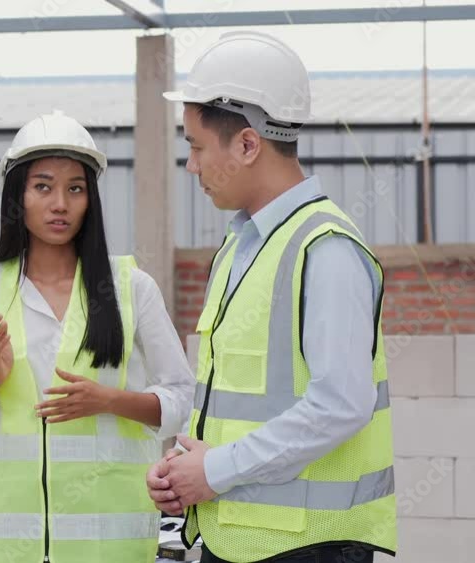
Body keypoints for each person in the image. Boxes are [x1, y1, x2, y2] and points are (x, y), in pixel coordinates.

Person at [147, 31, 396, 563]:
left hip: (306, 548)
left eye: (194, 146)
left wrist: (214, 471)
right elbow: (233, 396)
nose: (190, 165)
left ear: (246, 144)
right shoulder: (244, 245)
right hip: (236, 538)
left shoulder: (325, 249)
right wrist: (183, 466)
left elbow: (341, 405)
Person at [0, 110, 195, 563]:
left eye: (76, 188)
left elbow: (181, 400)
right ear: (18, 196)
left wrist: (109, 400)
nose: (60, 203)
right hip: (10, 551)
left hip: (113, 548)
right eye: (43, 187)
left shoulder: (130, 287)